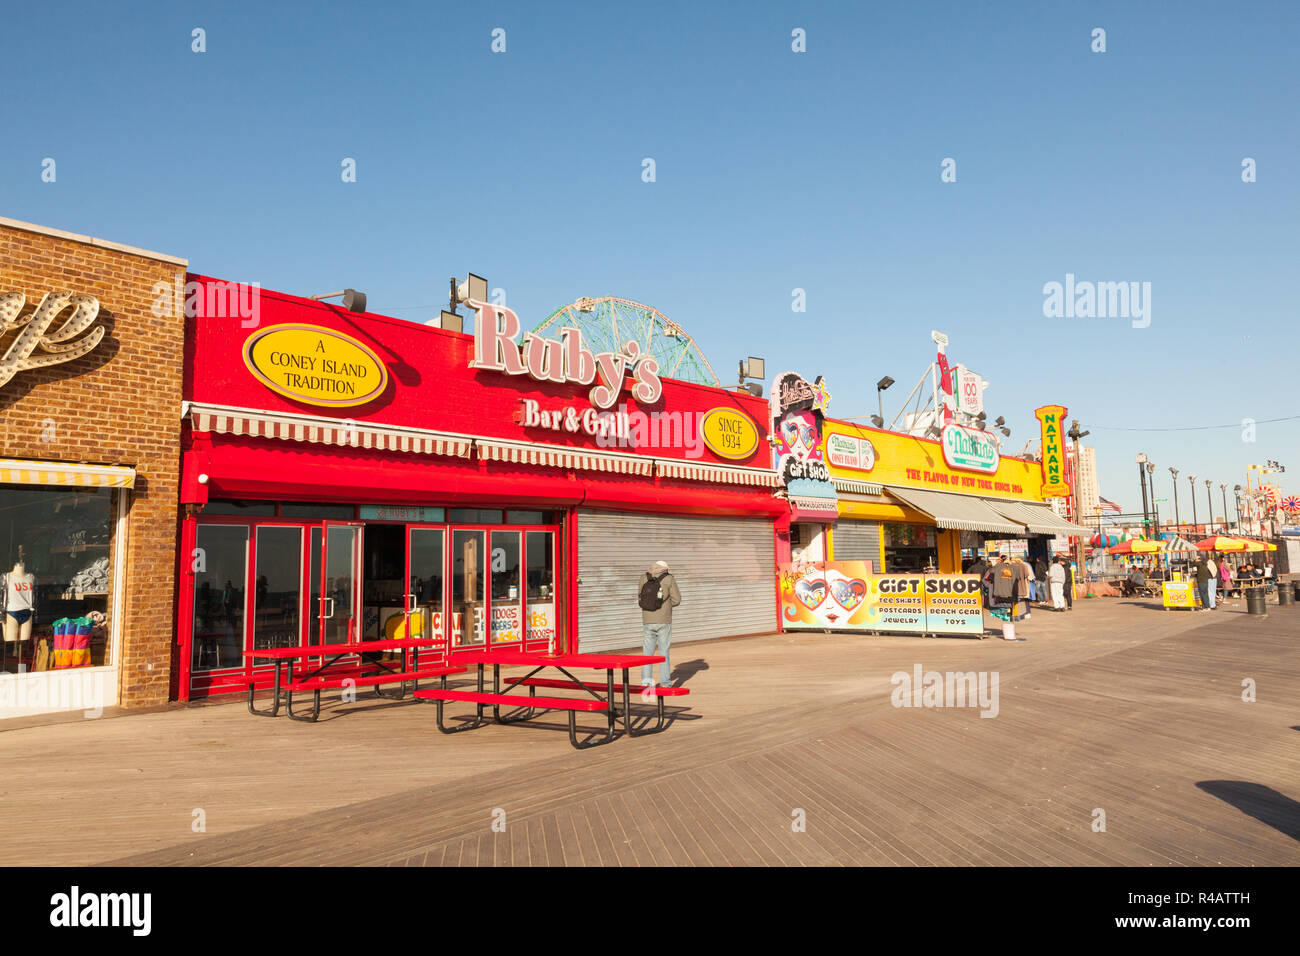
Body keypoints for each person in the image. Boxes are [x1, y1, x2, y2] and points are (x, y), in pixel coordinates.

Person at [638, 560, 681, 686]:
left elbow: (640, 597)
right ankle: (665, 683)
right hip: (663, 621)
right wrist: (665, 607)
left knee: (647, 654)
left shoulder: (643, 578)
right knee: (664, 653)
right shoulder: (669, 579)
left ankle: (646, 683)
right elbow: (677, 600)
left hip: (647, 620)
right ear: (665, 569)